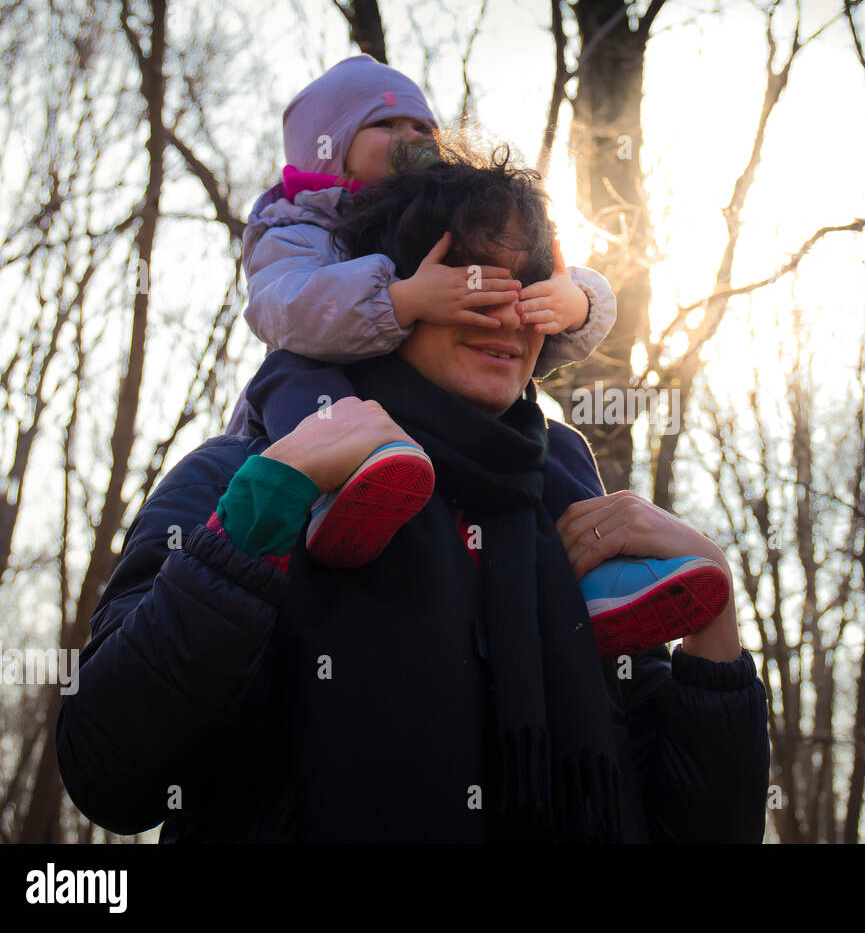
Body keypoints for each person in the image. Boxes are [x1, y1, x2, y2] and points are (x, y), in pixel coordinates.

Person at [56, 147, 770, 843]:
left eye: (529, 289)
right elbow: (111, 772)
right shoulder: (242, 477)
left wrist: (715, 641)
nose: (507, 314)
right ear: (387, 293)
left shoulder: (579, 527)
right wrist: (256, 518)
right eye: (471, 280)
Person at [228, 54, 729, 657]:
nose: (411, 138)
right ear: (326, 148)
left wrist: (576, 302)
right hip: (323, 399)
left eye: (423, 127)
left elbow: (513, 321)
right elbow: (285, 308)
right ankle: (339, 491)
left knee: (559, 442)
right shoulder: (297, 225)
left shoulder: (453, 215)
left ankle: (598, 571)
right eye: (385, 126)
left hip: (422, 414)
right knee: (293, 373)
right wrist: (402, 297)